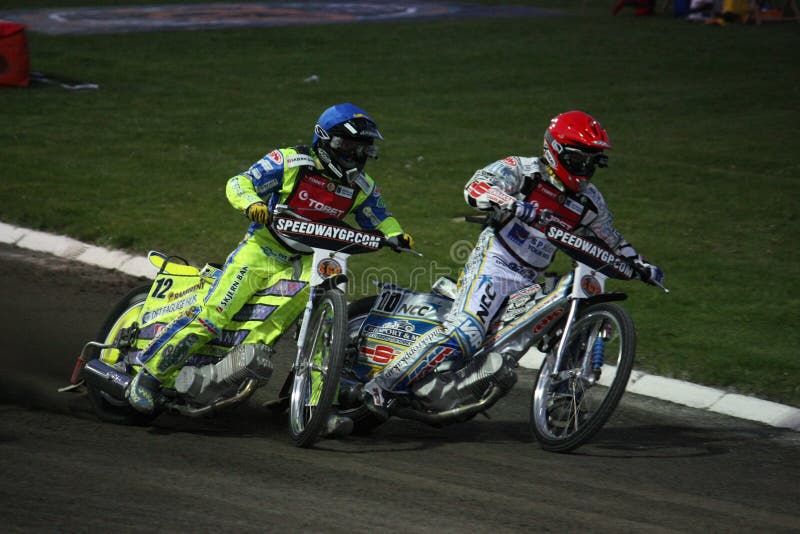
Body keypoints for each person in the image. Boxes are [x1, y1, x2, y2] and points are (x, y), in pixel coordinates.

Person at [362, 110, 663, 417]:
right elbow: (476, 186)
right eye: (578, 159)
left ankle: (562, 398)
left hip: (530, 280)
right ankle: (381, 386)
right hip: (494, 263)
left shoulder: (591, 201)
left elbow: (611, 239)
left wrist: (641, 264)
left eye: (592, 162)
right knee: (466, 331)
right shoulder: (523, 170)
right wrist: (513, 204)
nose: (585, 169)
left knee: (567, 319)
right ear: (555, 150)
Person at [126, 103, 414, 420]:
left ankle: (311, 405)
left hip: (312, 260)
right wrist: (251, 203)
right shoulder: (290, 161)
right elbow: (239, 183)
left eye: (362, 148)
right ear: (324, 140)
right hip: (261, 249)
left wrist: (396, 234)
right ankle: (148, 377)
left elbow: (380, 217)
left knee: (296, 328)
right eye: (348, 145)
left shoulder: (362, 186)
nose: (355, 154)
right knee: (213, 316)